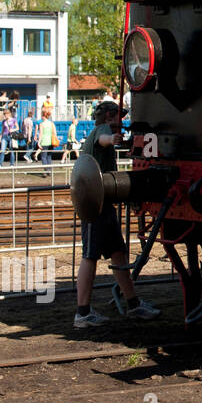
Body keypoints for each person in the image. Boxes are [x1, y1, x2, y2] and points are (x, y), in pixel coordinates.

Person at [73, 100, 159, 328]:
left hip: (104, 205)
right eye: (119, 117)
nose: (121, 122)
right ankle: (82, 313)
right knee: (89, 255)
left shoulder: (101, 132)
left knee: (118, 253)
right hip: (96, 205)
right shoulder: (102, 131)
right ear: (110, 117)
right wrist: (112, 139)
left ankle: (133, 303)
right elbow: (103, 138)